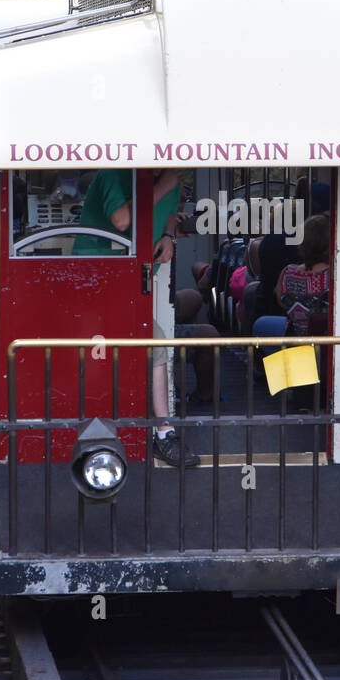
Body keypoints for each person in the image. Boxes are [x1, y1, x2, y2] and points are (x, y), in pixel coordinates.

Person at [74, 168, 205, 465]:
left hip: (133, 280)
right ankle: (161, 433)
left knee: (147, 345)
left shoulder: (167, 179)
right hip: (95, 276)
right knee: (146, 343)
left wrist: (169, 236)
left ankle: (144, 432)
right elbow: (121, 219)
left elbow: (172, 210)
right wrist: (162, 184)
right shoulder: (113, 171)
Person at [274, 212, 330, 335]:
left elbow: (281, 302)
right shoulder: (333, 276)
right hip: (325, 344)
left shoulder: (287, 272)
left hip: (293, 340)